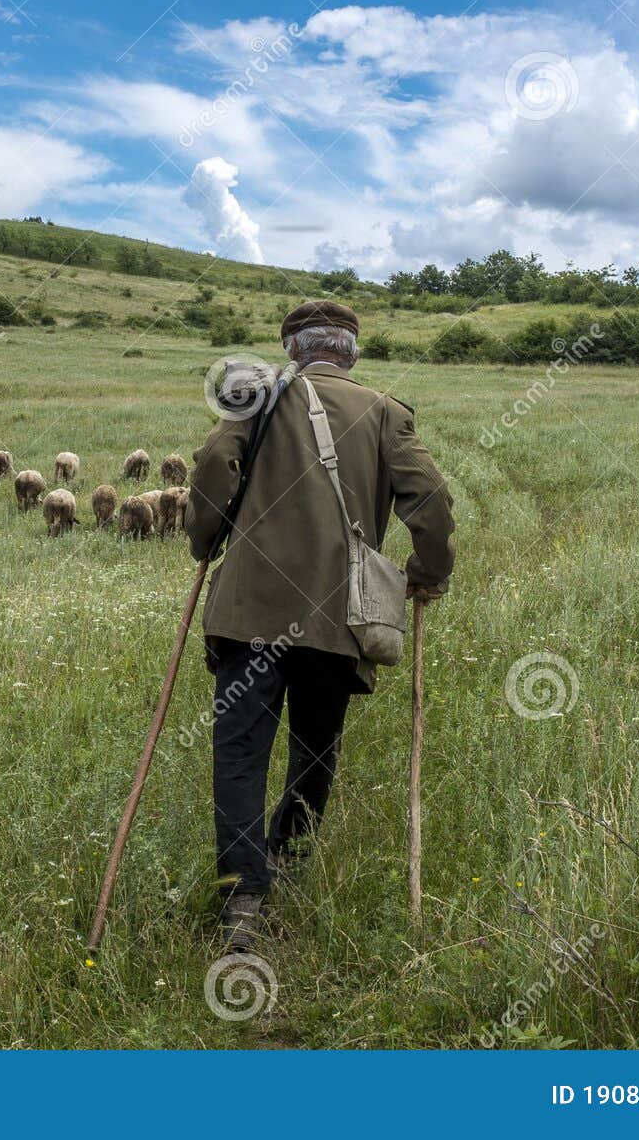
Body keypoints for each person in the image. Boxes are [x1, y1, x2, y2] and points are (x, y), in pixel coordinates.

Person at [185, 300, 455, 950]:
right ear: (351, 353)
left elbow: (214, 464)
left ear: (293, 350)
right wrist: (426, 571)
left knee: (240, 754)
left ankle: (243, 898)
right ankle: (290, 857)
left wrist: (204, 539)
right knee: (315, 748)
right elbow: (432, 498)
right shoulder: (385, 412)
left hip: (249, 612)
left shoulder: (257, 399)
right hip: (339, 615)